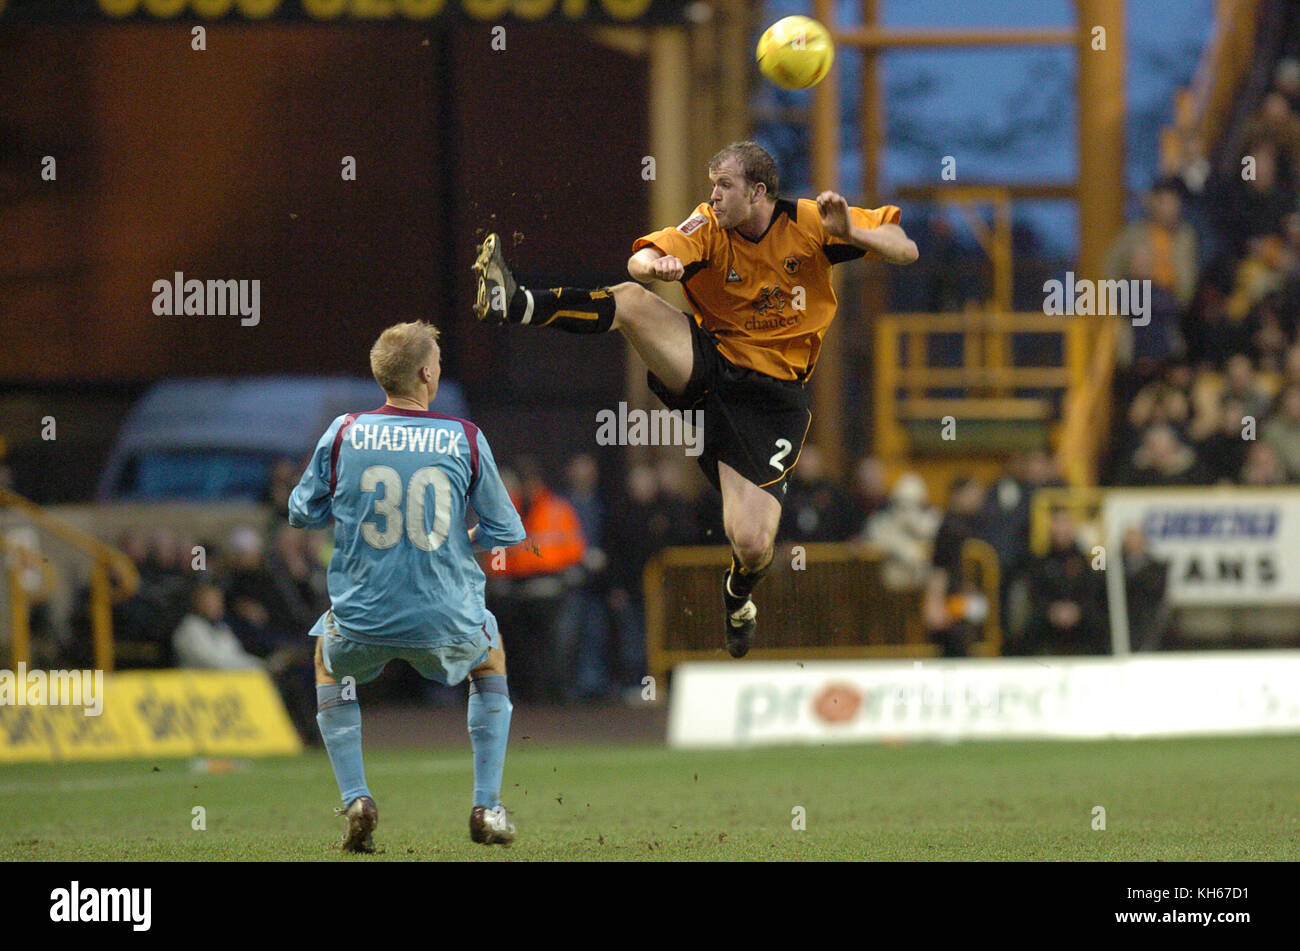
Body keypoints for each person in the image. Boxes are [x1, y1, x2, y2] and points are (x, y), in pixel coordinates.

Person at [471, 140, 916, 657]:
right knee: (634, 303)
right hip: (711, 367)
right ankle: (515, 301)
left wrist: (852, 233)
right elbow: (640, 260)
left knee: (752, 544)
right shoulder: (708, 225)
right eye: (712, 185)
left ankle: (737, 595)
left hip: (773, 404)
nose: (714, 195)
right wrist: (655, 268)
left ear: (758, 191)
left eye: (724, 185)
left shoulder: (813, 222)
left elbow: (904, 246)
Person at [288, 321, 527, 853]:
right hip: (448, 621)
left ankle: (356, 798)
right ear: (425, 374)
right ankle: (486, 806)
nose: (439, 368)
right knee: (490, 656)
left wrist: (348, 510)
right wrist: (461, 536)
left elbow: (301, 513)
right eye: (437, 360)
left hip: (362, 619)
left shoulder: (345, 430)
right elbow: (508, 530)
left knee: (328, 659)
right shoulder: (463, 436)